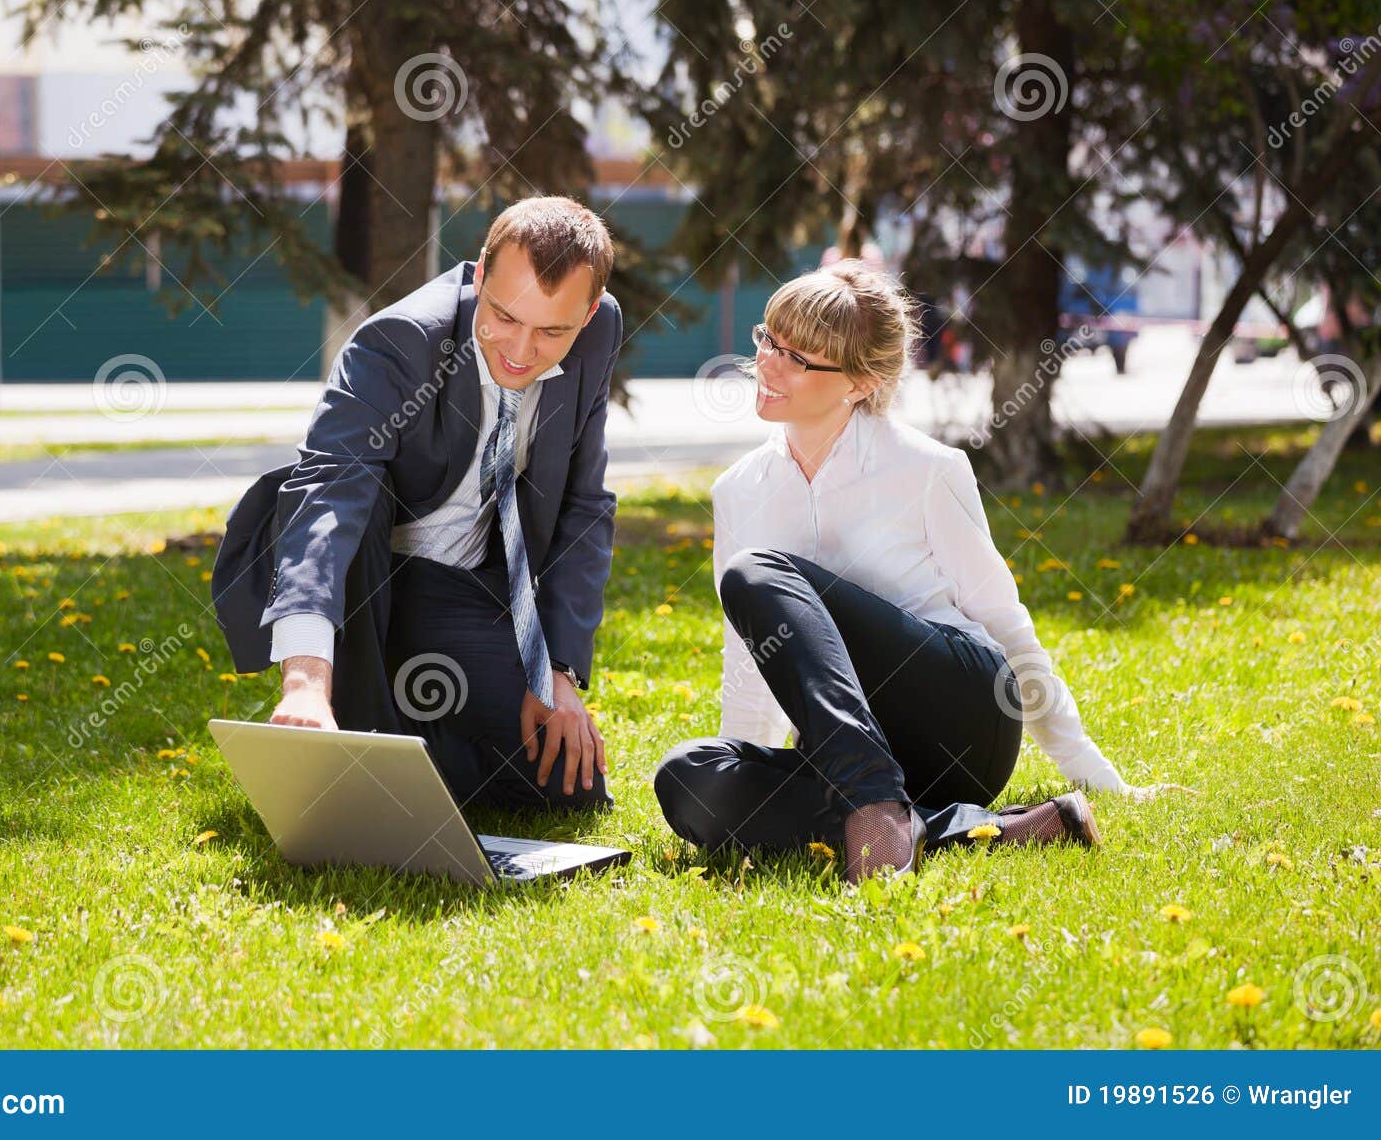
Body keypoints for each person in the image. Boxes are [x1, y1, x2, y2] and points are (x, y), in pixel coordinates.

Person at [654, 260, 1183, 883]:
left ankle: (877, 804)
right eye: (770, 339)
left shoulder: (928, 469)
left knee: (755, 574)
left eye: (798, 358)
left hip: (962, 720)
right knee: (686, 776)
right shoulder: (739, 490)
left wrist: (1097, 774)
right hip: (855, 747)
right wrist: (744, 760)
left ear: (860, 381)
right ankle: (963, 828)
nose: (767, 364)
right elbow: (751, 659)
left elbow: (1005, 623)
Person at [211, 196, 620, 810]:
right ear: (480, 276)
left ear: (587, 314)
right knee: (362, 494)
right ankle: (359, 733)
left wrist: (555, 671)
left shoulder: (601, 330)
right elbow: (327, 497)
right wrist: (303, 682)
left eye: (552, 331)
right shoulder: (399, 341)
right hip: (364, 574)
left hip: (461, 585)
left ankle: (397, 745)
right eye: (505, 316)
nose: (520, 349)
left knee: (568, 785)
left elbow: (586, 504)